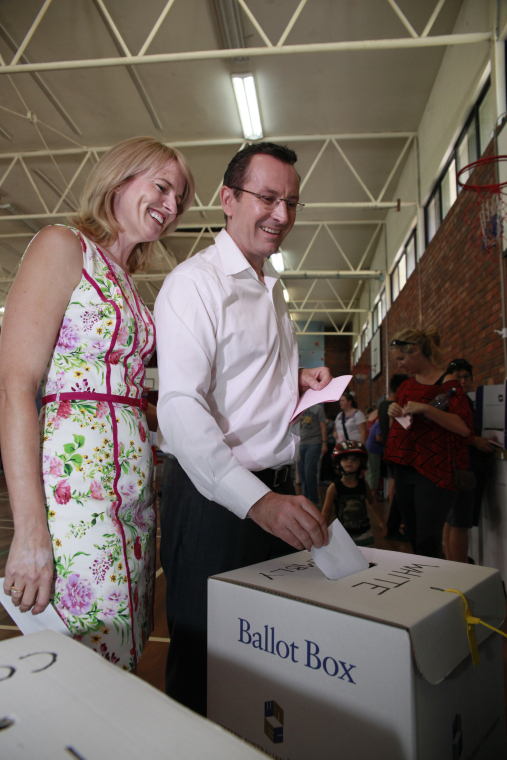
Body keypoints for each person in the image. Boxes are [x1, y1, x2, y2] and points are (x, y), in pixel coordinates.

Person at [0, 136, 195, 670]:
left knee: (125, 647)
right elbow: (15, 383)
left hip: (135, 496)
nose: (172, 206)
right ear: (119, 177)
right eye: (162, 187)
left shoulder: (129, 283)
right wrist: (30, 529)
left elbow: (123, 395)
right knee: (86, 660)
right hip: (76, 499)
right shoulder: (63, 246)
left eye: (180, 198)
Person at [154, 141, 330, 715]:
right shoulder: (195, 284)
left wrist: (294, 380)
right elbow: (180, 408)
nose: (283, 215)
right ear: (228, 199)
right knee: (206, 671)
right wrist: (258, 503)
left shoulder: (269, 287)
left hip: (272, 494)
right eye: (268, 198)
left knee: (261, 668)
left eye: (293, 202)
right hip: (218, 502)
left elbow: (239, 375)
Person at [384, 328, 473, 558]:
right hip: (406, 467)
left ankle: (440, 590)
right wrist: (395, 413)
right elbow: (406, 425)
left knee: (428, 540)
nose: (400, 365)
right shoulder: (406, 386)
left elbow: (463, 427)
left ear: (416, 351)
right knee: (414, 537)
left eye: (402, 358)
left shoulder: (448, 383)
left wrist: (426, 408)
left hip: (434, 470)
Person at [442, 359, 494, 563]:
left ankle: (452, 563)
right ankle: (461, 571)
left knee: (452, 520)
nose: (462, 381)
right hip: (460, 468)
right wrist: (475, 440)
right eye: (458, 377)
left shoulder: (465, 400)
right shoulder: (451, 400)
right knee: (460, 523)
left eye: (466, 377)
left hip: (459, 468)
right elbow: (455, 431)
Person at [322, 441, 387, 544]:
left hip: (364, 534)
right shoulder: (334, 487)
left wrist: (382, 522)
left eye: (354, 459)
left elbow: (372, 503)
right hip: (343, 535)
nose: (350, 462)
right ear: (338, 463)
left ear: (360, 463)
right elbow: (326, 511)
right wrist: (323, 530)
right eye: (346, 458)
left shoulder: (363, 484)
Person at [378, 373, 409, 540]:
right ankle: (395, 520)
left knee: (393, 482)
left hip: (387, 447)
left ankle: (394, 519)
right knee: (396, 484)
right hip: (395, 449)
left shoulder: (383, 404)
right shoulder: (394, 406)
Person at [297, 403, 327, 509]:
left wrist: (324, 443)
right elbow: (299, 426)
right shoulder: (301, 408)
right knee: (302, 472)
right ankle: (305, 500)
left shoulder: (318, 408)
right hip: (302, 443)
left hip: (314, 442)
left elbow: (323, 426)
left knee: (310, 472)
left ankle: (314, 500)